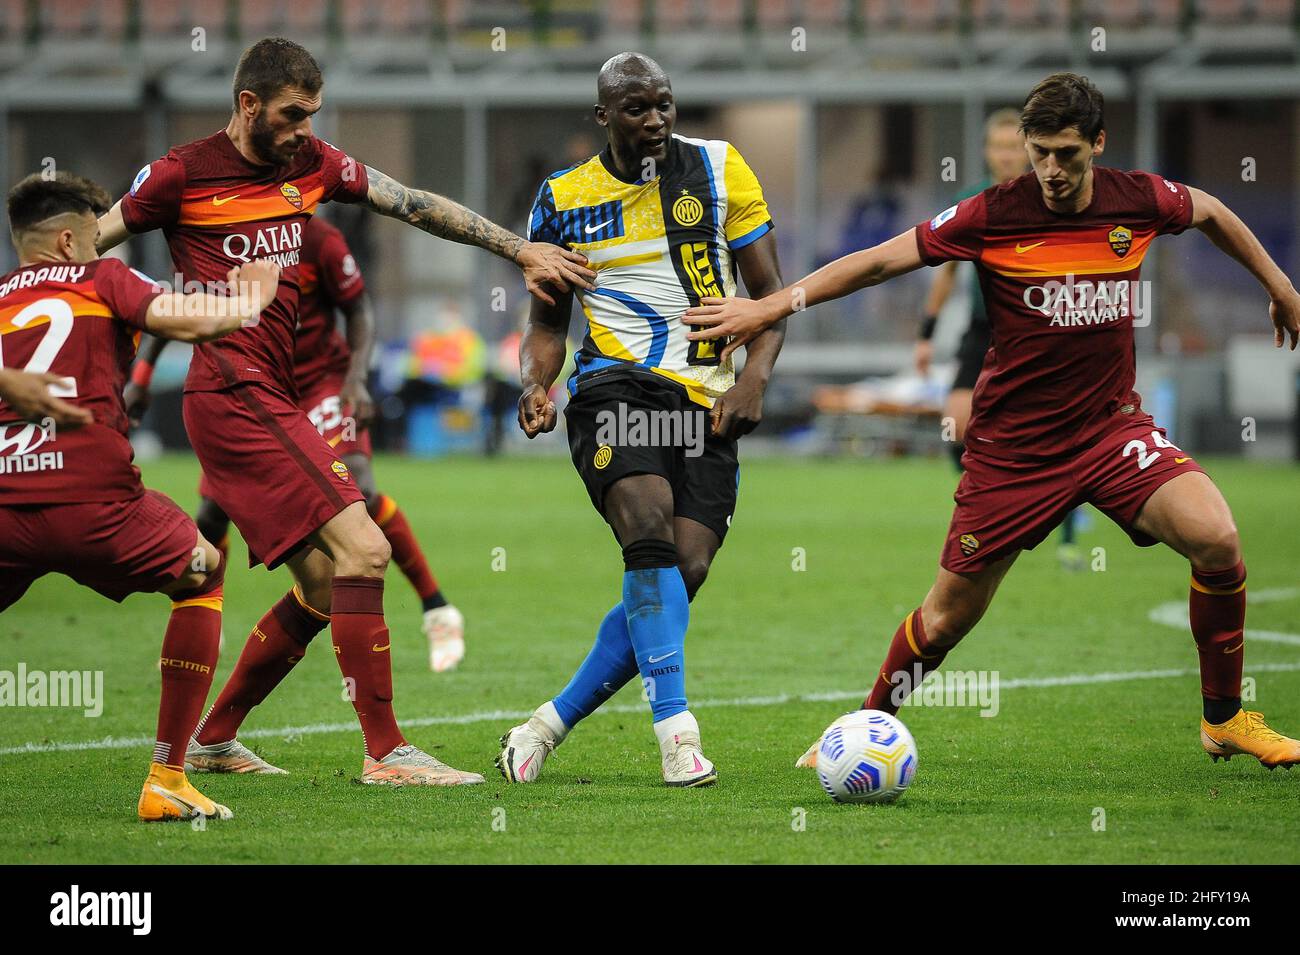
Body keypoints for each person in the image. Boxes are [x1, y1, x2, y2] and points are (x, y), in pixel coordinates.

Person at [687, 72, 1300, 770]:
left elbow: (1213, 210)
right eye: (1039, 152)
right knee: (948, 615)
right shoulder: (994, 212)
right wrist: (772, 305)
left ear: (1098, 143)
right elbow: (881, 261)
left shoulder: (1139, 199)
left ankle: (1225, 720)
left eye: (1067, 153)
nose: (1050, 169)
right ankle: (865, 725)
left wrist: (1279, 286)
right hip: (1015, 450)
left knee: (1218, 539)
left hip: (1110, 432)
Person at [96, 36, 594, 785]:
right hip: (234, 393)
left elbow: (416, 205)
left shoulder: (312, 165)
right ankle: (386, 752)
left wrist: (518, 250)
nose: (305, 130)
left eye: (313, 115)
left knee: (328, 583)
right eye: (293, 115)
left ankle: (214, 736)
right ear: (247, 104)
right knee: (366, 548)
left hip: (269, 397)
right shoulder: (179, 175)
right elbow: (84, 248)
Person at [496, 53, 786, 787]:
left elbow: (771, 297)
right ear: (603, 117)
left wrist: (753, 378)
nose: (654, 118)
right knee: (648, 525)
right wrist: (538, 381)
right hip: (613, 388)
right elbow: (545, 322)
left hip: (707, 404)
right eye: (635, 108)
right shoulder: (563, 199)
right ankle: (677, 735)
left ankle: (545, 725)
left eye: (663, 104)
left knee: (682, 569)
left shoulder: (722, 171)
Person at [0, 171, 279, 820]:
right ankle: (166, 778)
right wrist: (250, 300)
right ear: (68, 241)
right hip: (96, 503)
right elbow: (188, 322)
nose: (106, 252)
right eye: (98, 240)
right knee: (202, 572)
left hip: (7, 506)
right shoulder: (101, 280)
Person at [124, 216, 468, 672]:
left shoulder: (319, 239)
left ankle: (437, 609)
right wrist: (142, 381)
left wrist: (356, 378)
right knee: (211, 511)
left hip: (322, 382)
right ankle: (203, 607)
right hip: (255, 391)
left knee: (360, 487)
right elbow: (178, 307)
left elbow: (358, 307)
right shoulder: (223, 235)